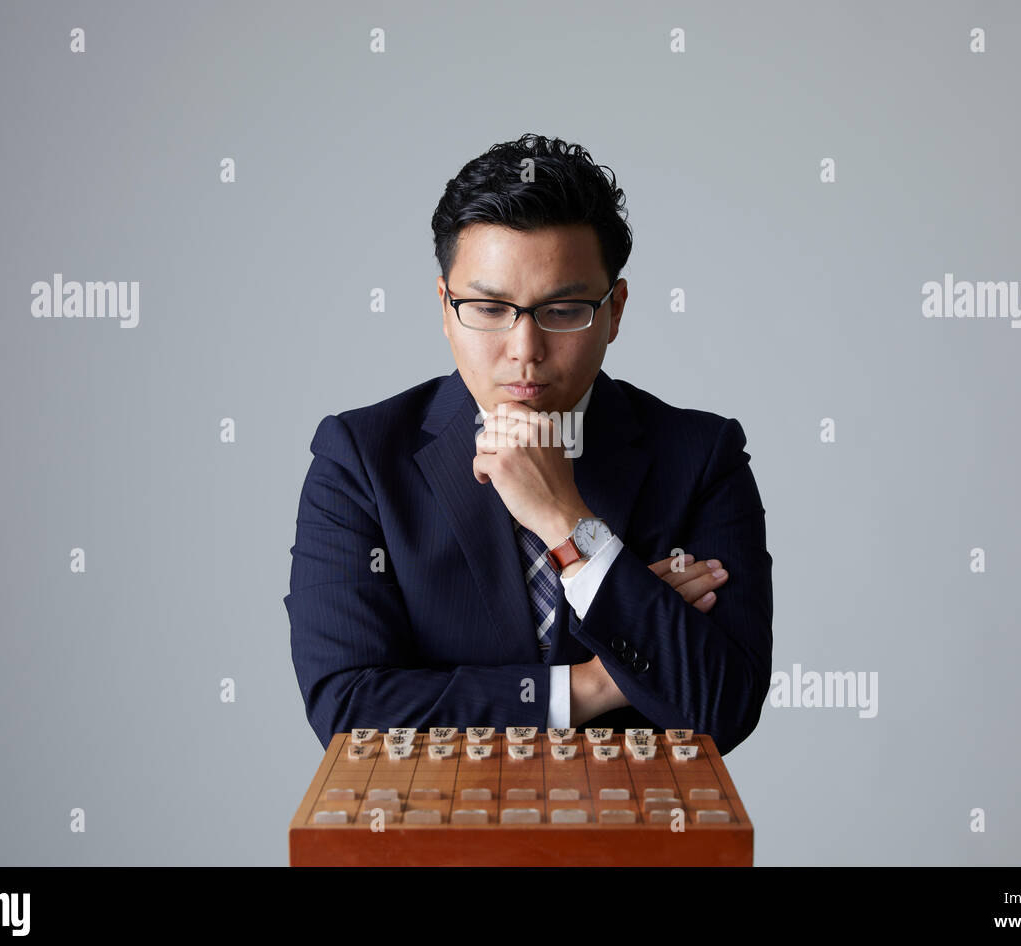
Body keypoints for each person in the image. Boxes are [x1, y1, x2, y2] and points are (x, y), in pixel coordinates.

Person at [284, 134, 773, 755]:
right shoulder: (360, 458)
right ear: (444, 307)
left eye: (564, 309)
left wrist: (568, 523)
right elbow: (351, 713)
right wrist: (590, 685)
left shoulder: (703, 457)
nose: (524, 351)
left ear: (615, 310)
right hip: (430, 842)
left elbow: (723, 707)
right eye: (488, 308)